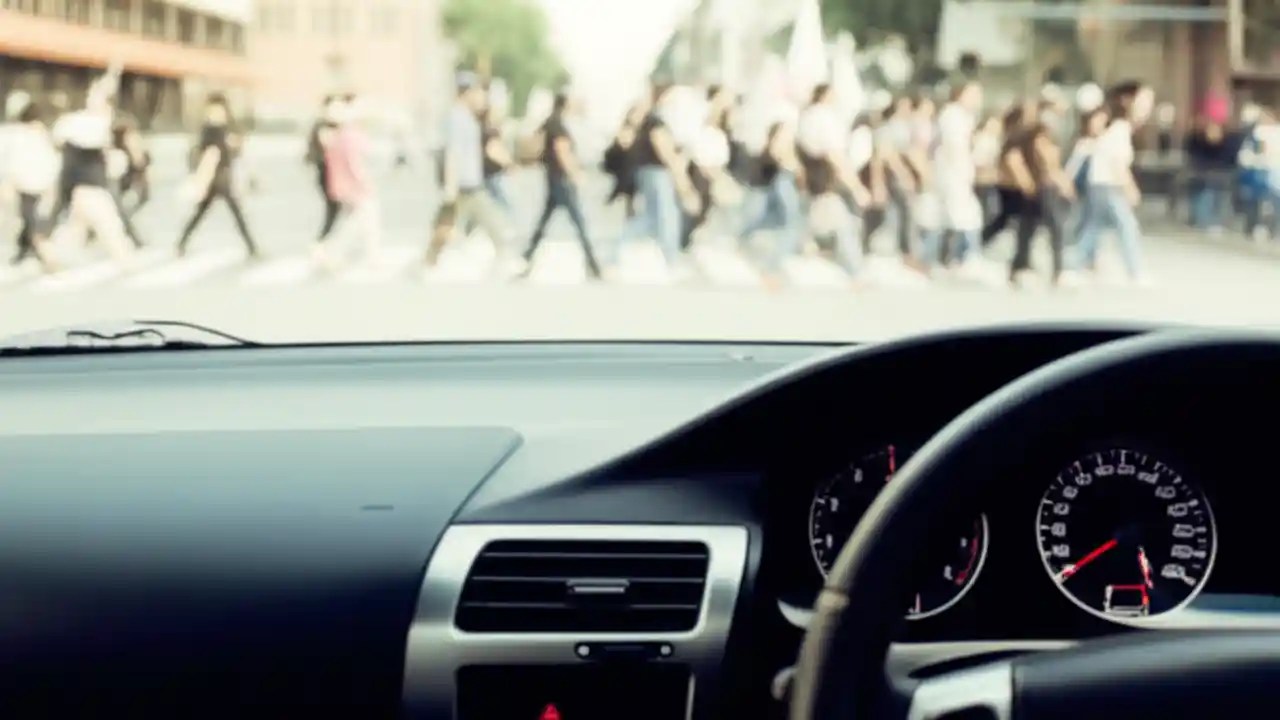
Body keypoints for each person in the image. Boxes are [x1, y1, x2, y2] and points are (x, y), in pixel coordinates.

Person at [48, 68, 135, 266]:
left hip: (81, 183)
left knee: (76, 227)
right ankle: (125, 260)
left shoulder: (82, 122)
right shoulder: (82, 123)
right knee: (107, 223)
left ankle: (52, 256)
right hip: (89, 185)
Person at [426, 72, 510, 270]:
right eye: (478, 92)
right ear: (467, 93)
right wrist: (450, 187)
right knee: (445, 228)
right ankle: (427, 262)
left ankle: (503, 259)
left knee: (492, 224)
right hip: (462, 186)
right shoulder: (457, 119)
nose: (482, 97)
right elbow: (453, 154)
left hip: (472, 185)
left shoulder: (466, 118)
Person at [1072, 81, 1155, 284]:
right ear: (1127, 101)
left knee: (1094, 228)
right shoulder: (1120, 128)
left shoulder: (1117, 127)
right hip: (1108, 185)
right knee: (1126, 226)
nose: (1148, 108)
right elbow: (1117, 163)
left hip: (1100, 183)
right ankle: (1135, 272)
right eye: (1143, 101)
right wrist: (1130, 188)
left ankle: (1072, 265)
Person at [612, 83, 695, 273]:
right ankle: (671, 260)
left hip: (649, 173)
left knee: (649, 219)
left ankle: (614, 255)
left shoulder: (651, 120)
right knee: (667, 217)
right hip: (658, 173)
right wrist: (683, 184)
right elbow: (666, 152)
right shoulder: (656, 121)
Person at [519, 92, 603, 279]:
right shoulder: (558, 125)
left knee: (544, 222)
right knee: (579, 222)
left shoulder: (549, 122)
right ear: (565, 104)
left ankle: (526, 257)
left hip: (552, 178)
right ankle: (593, 265)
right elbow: (562, 151)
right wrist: (576, 175)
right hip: (562, 180)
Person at [796, 83, 868, 284]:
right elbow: (833, 154)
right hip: (824, 179)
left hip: (813, 178)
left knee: (812, 223)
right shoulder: (823, 117)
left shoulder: (808, 115)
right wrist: (856, 187)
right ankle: (854, 272)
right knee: (843, 225)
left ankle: (815, 255)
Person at [176, 93, 259, 259]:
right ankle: (251, 247)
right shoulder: (210, 130)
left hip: (222, 175)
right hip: (215, 177)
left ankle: (182, 243)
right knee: (233, 211)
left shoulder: (226, 128)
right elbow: (206, 152)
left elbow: (235, 151)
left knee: (205, 212)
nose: (217, 114)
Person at [920, 81, 985, 272]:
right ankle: (966, 256)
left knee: (956, 216)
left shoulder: (964, 117)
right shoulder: (952, 115)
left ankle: (952, 258)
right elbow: (953, 146)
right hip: (952, 175)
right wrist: (961, 171)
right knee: (963, 216)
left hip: (957, 174)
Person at [317, 93, 381, 269]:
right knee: (362, 219)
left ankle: (371, 254)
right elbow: (355, 162)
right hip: (353, 187)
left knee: (361, 220)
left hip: (343, 186)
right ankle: (334, 253)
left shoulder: (340, 134)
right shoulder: (349, 134)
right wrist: (364, 181)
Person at [1010, 119, 1075, 287]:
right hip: (1044, 190)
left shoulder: (1037, 147)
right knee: (1052, 230)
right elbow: (1051, 169)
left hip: (1041, 190)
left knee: (1029, 231)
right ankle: (1054, 271)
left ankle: (1020, 267)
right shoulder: (1042, 147)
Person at [741, 121, 805, 288]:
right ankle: (769, 271)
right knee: (790, 227)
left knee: (791, 227)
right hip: (765, 207)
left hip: (773, 213)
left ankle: (771, 269)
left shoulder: (790, 165)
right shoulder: (769, 164)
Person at [5, 102, 60, 271]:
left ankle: (46, 257)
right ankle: (27, 248)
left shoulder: (18, 134)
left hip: (30, 184)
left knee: (32, 220)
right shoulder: (41, 135)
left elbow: (12, 161)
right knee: (31, 218)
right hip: (40, 184)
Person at [307, 95, 343, 243]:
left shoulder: (332, 125)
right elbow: (329, 146)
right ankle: (321, 242)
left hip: (334, 174)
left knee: (337, 209)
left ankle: (325, 243)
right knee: (334, 209)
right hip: (327, 174)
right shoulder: (323, 126)